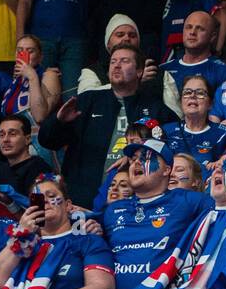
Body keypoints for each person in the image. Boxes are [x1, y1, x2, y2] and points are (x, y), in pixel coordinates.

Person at [38, 43, 179, 209]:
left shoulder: (156, 108)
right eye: (113, 62)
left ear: (139, 71)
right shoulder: (87, 101)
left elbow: (174, 145)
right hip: (83, 201)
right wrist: (58, 121)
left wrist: (138, 152)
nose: (117, 65)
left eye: (124, 61)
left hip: (136, 202)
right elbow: (47, 141)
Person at [95, 138, 213, 289]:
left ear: (166, 170)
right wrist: (92, 229)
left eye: (146, 159)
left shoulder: (187, 201)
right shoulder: (113, 210)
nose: (136, 163)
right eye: (134, 159)